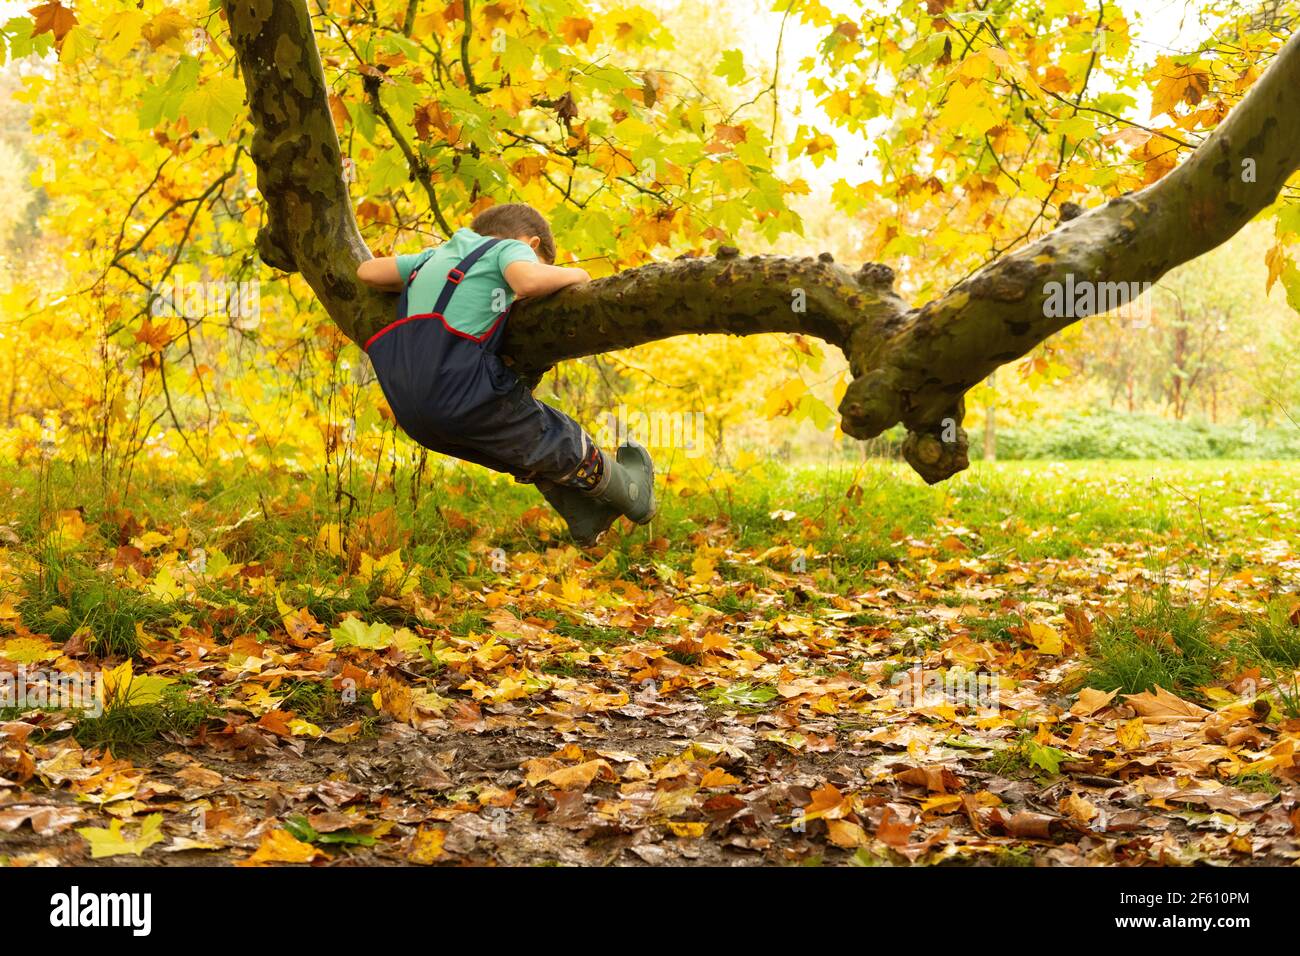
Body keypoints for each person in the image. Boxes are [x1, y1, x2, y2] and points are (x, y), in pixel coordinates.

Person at [356, 203, 655, 545]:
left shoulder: (432, 257)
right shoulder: (508, 248)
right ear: (531, 245)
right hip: (460, 389)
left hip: (411, 411)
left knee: (516, 451)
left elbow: (367, 272)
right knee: (555, 435)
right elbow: (526, 281)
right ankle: (633, 492)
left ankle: (585, 514)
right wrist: (579, 276)